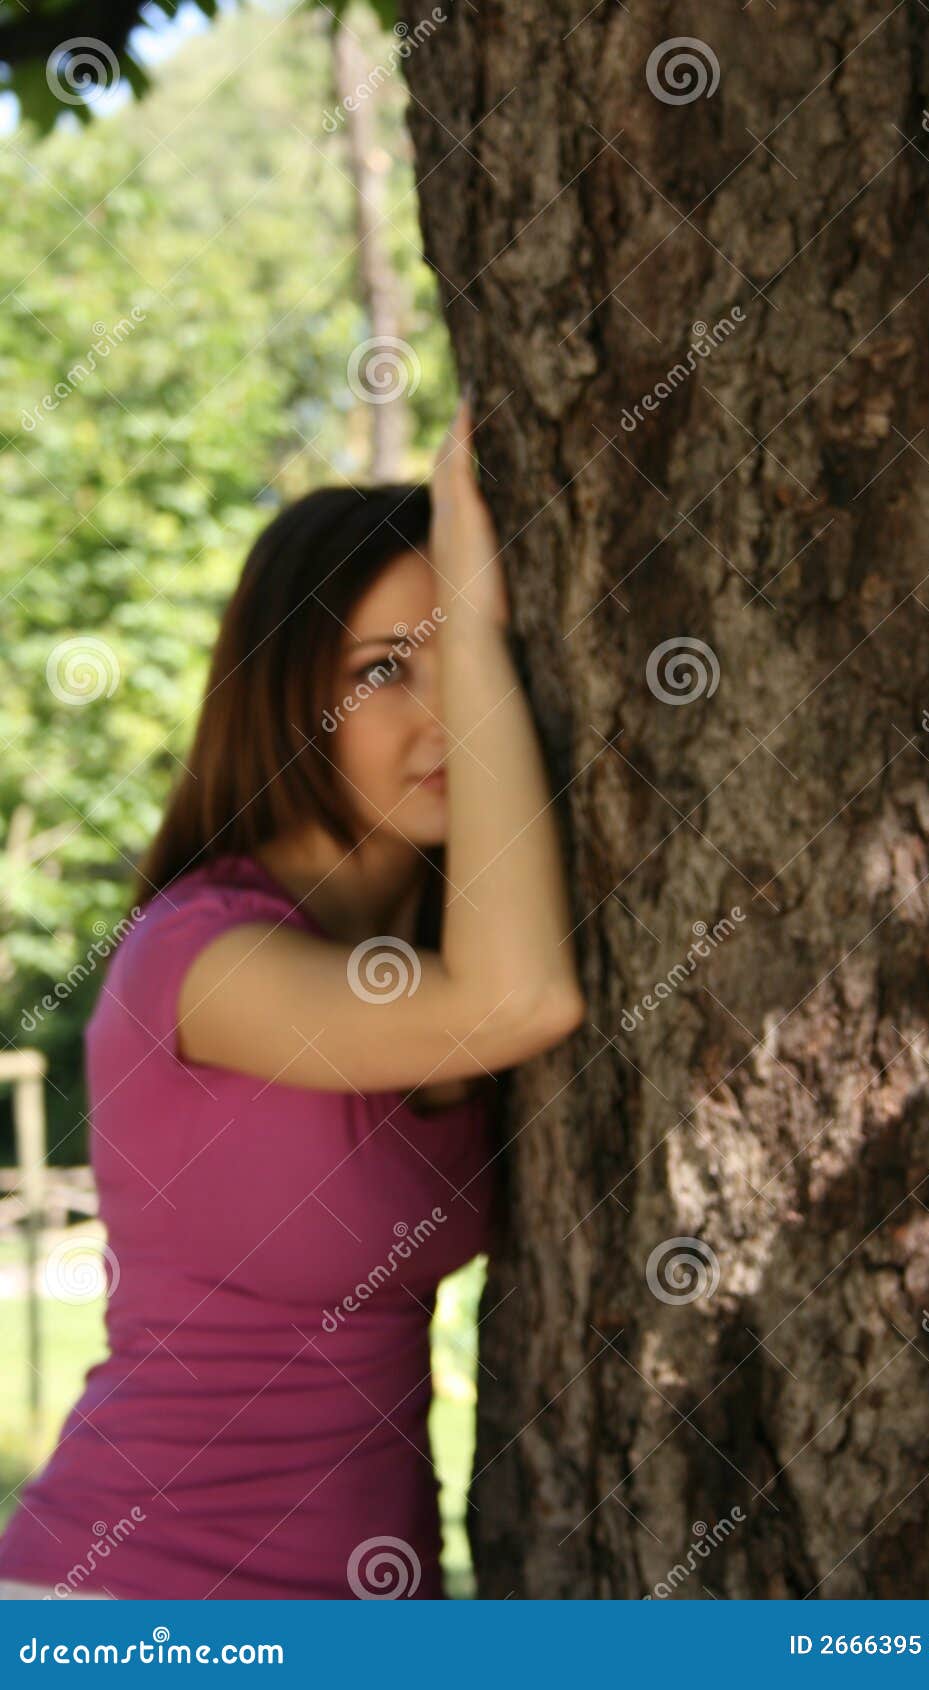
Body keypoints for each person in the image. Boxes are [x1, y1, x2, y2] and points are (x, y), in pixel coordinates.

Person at [0, 396, 585, 1600]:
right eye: (385, 670)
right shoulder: (198, 961)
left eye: (465, 663)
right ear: (285, 697)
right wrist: (469, 635)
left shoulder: (408, 955)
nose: (443, 716)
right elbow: (518, 1000)